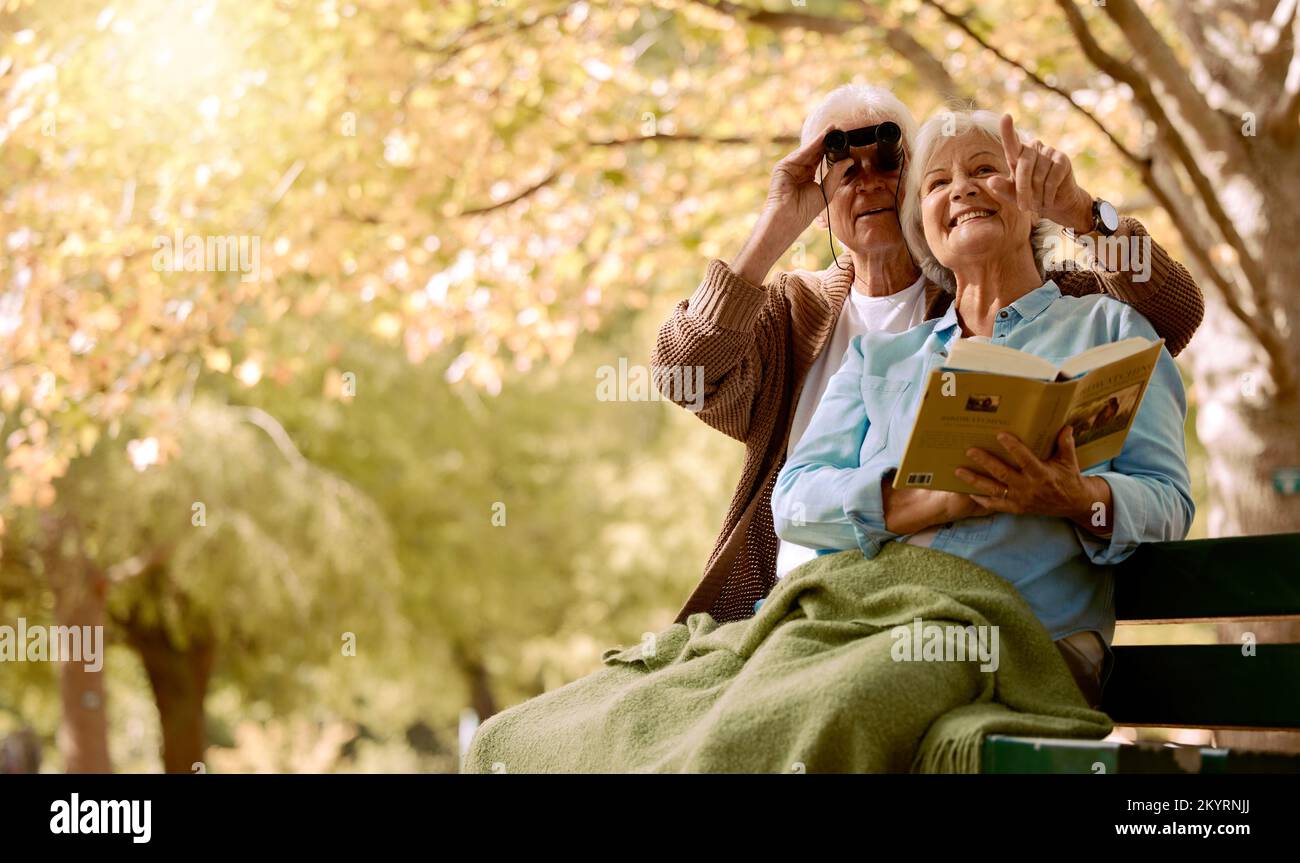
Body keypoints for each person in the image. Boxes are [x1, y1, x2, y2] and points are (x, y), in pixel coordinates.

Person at [651, 83, 1203, 643]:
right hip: (803, 607)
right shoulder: (801, 318)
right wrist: (775, 225)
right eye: (843, 168)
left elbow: (1171, 312)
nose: (869, 181)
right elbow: (682, 377)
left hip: (952, 628)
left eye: (891, 162)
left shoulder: (1065, 309)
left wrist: (1083, 214)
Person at [770, 109, 1196, 707]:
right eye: (937, 183)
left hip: (1025, 644)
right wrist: (924, 501)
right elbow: (793, 499)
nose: (962, 188)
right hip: (872, 621)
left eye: (985, 170)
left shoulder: (1110, 328)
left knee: (843, 695)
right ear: (924, 226)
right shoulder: (881, 358)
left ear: (1030, 201)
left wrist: (1074, 499)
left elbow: (1169, 502)